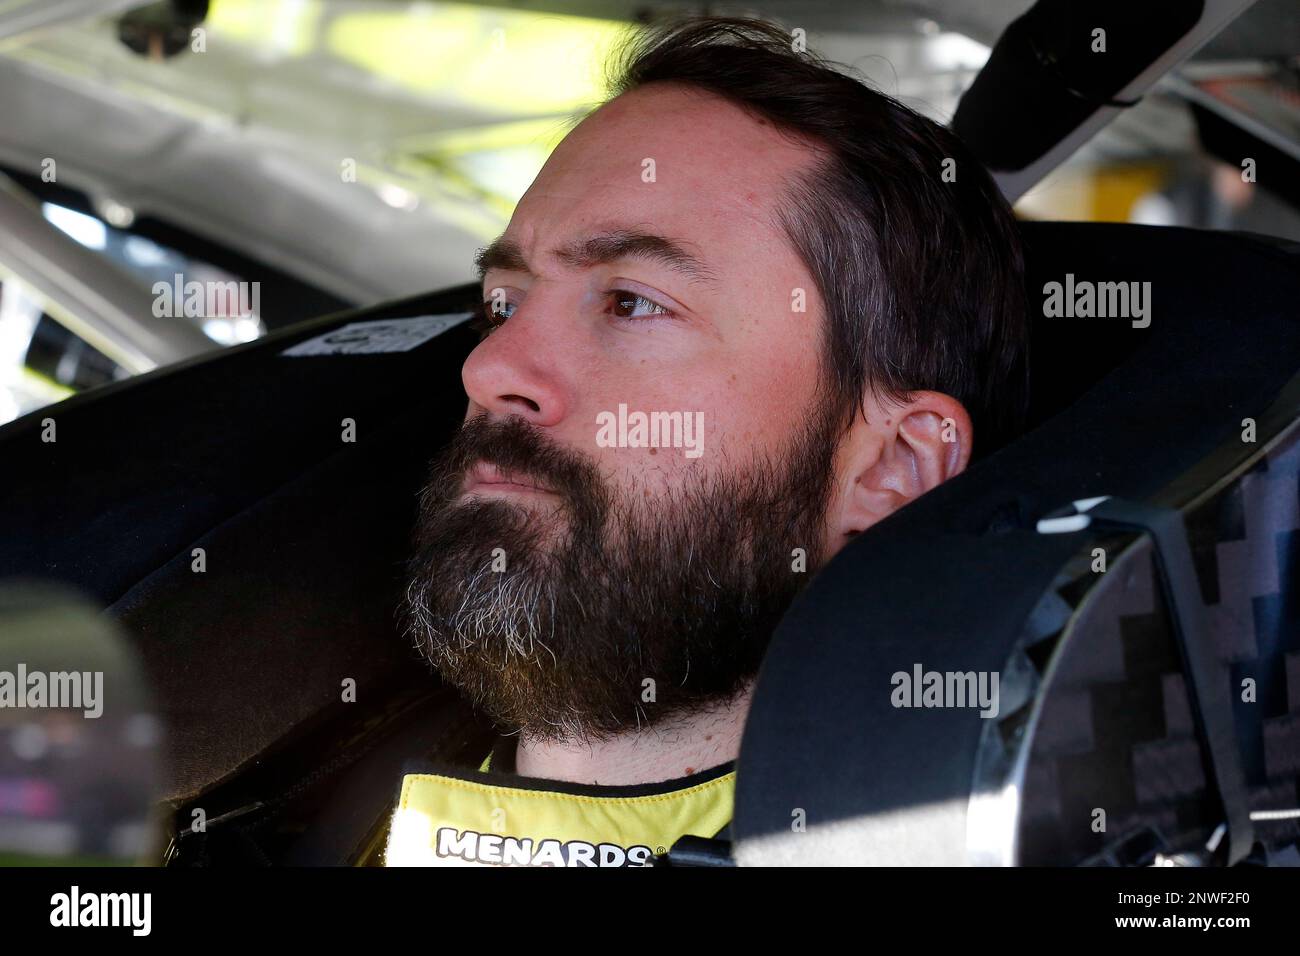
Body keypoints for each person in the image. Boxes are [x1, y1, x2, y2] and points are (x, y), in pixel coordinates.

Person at [383, 14, 1028, 867]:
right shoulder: (284, 800)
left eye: (633, 302)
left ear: (893, 465)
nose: (491, 367)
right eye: (504, 302)